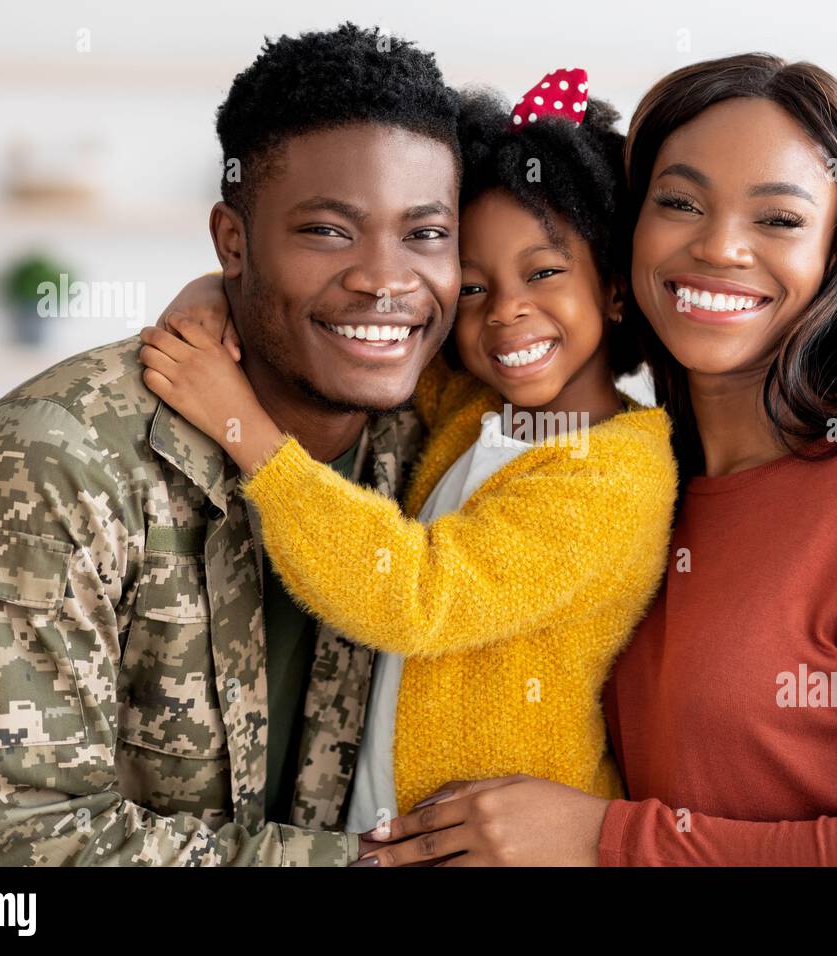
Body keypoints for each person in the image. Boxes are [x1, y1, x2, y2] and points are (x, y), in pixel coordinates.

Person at [355, 52, 837, 867]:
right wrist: (231, 294)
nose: (720, 248)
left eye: (777, 220)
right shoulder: (626, 467)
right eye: (679, 203)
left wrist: (606, 840)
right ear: (621, 236)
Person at [0, 23, 460, 866]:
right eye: (329, 232)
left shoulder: (440, 451)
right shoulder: (54, 460)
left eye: (425, 234)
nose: (385, 277)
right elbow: (15, 847)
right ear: (233, 241)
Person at [138, 74, 677, 848]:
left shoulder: (617, 473)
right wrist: (224, 285)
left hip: (496, 851)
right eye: (475, 287)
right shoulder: (480, 409)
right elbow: (351, 331)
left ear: (618, 292)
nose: (507, 312)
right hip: (387, 832)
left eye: (545, 273)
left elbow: (416, 595)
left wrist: (242, 427)